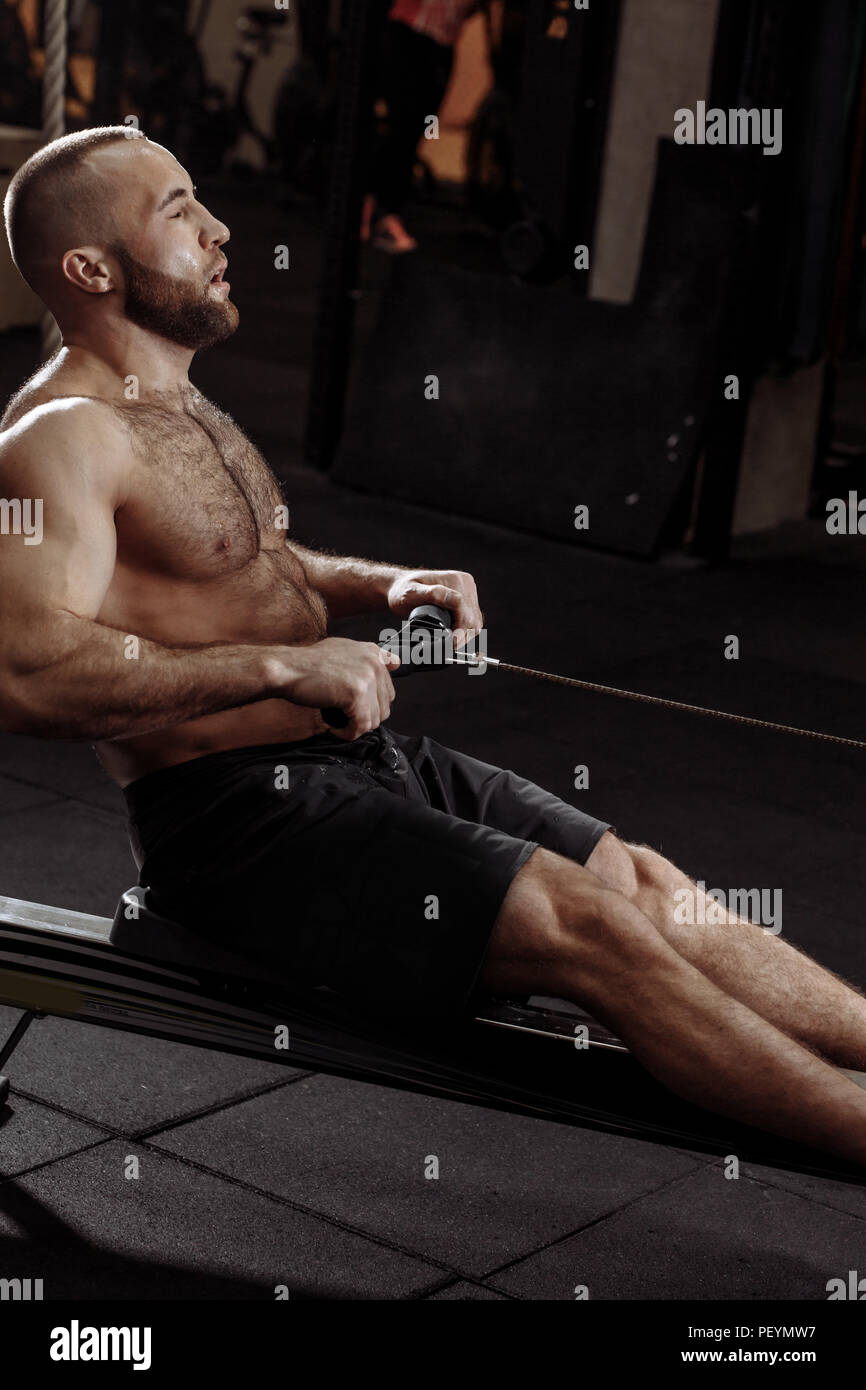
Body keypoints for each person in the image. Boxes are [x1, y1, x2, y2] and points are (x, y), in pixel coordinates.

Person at [2, 128, 866, 1167]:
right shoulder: (58, 439)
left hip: (349, 763)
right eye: (179, 211)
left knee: (637, 881)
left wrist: (380, 583)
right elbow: (25, 674)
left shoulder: (175, 400)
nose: (220, 228)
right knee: (590, 927)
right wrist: (283, 666)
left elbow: (250, 564)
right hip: (236, 827)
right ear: (91, 269)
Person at [362, 0, 484, 252]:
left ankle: (382, 210)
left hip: (442, 43)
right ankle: (381, 214)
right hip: (409, 34)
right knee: (402, 126)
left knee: (416, 129)